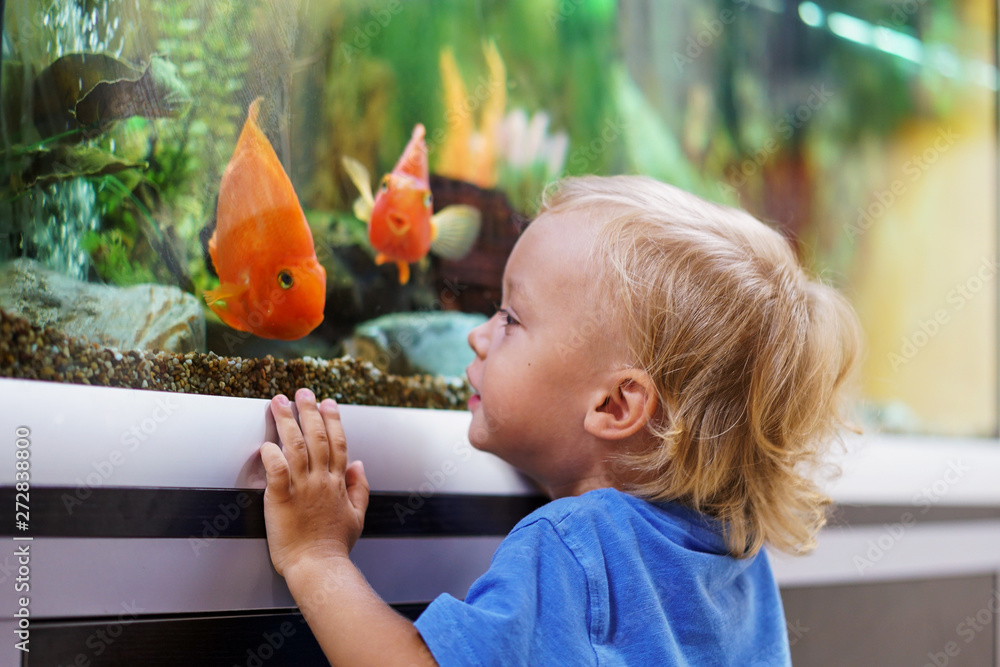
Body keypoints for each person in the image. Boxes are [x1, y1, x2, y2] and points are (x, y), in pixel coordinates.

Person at [259, 175, 863, 666]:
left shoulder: (572, 545)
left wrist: (318, 559)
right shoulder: (736, 556)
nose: (477, 336)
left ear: (614, 407)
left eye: (510, 318)